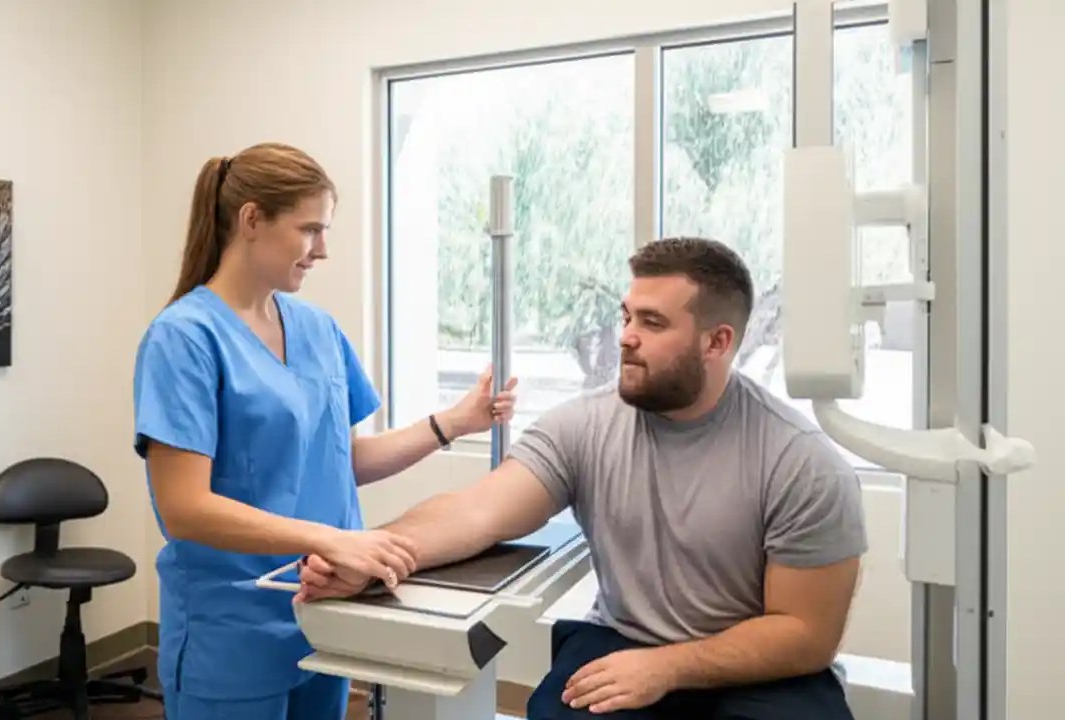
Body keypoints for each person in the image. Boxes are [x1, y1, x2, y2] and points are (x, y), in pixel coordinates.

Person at [298, 237, 868, 720]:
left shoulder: (801, 462)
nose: (625, 336)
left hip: (753, 667)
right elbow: (478, 511)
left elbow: (803, 633)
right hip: (625, 639)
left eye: (652, 322)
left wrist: (668, 667)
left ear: (717, 342)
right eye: (626, 316)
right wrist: (376, 558)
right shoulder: (585, 425)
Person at [131, 142, 518, 720]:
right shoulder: (184, 337)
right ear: (252, 219)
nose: (323, 250)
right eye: (310, 229)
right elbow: (184, 506)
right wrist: (329, 539)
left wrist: (452, 424)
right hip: (231, 628)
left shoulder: (316, 328)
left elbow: (339, 460)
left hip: (325, 610)